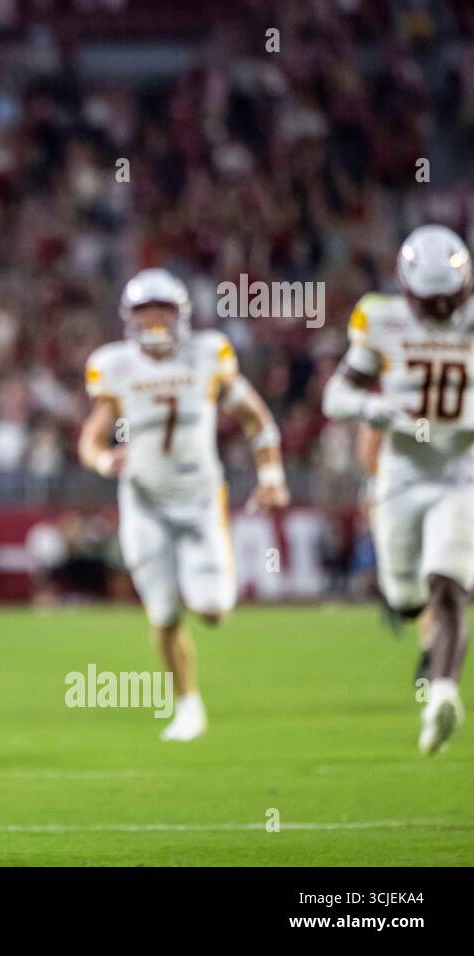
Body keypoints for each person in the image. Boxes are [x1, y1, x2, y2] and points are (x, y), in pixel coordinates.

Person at [77, 268, 289, 742]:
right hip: (144, 502)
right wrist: (104, 461)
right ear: (128, 318)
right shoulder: (114, 365)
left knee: (212, 610)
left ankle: (199, 593)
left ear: (181, 315)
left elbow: (257, 419)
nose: (153, 321)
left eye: (161, 311)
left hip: (198, 501)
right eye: (143, 312)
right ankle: (189, 706)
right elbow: (90, 436)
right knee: (164, 612)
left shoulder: (208, 355)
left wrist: (271, 477)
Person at [322, 225, 474, 754]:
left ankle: (443, 694)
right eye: (428, 302)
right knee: (407, 598)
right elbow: (336, 394)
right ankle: (431, 659)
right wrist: (372, 407)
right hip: (402, 476)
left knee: (446, 585)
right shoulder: (381, 319)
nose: (438, 313)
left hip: (461, 473)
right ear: (407, 292)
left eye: (447, 301)